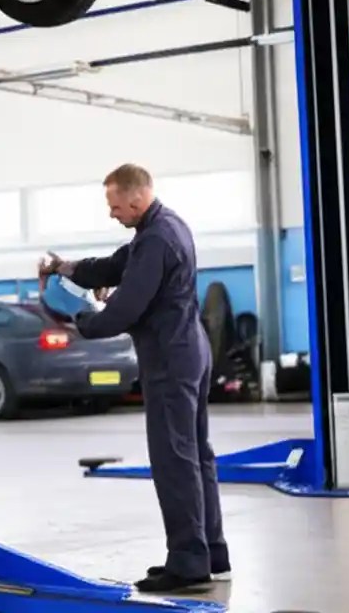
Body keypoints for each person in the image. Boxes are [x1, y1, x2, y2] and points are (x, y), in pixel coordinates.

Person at [38, 163, 230, 594]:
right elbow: (111, 266)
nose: (112, 213)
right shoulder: (161, 228)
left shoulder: (156, 238)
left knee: (174, 459)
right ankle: (211, 554)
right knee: (197, 455)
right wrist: (66, 267)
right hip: (190, 351)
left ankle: (187, 564)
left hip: (169, 360)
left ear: (137, 198)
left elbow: (126, 310)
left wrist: (81, 320)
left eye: (114, 204)